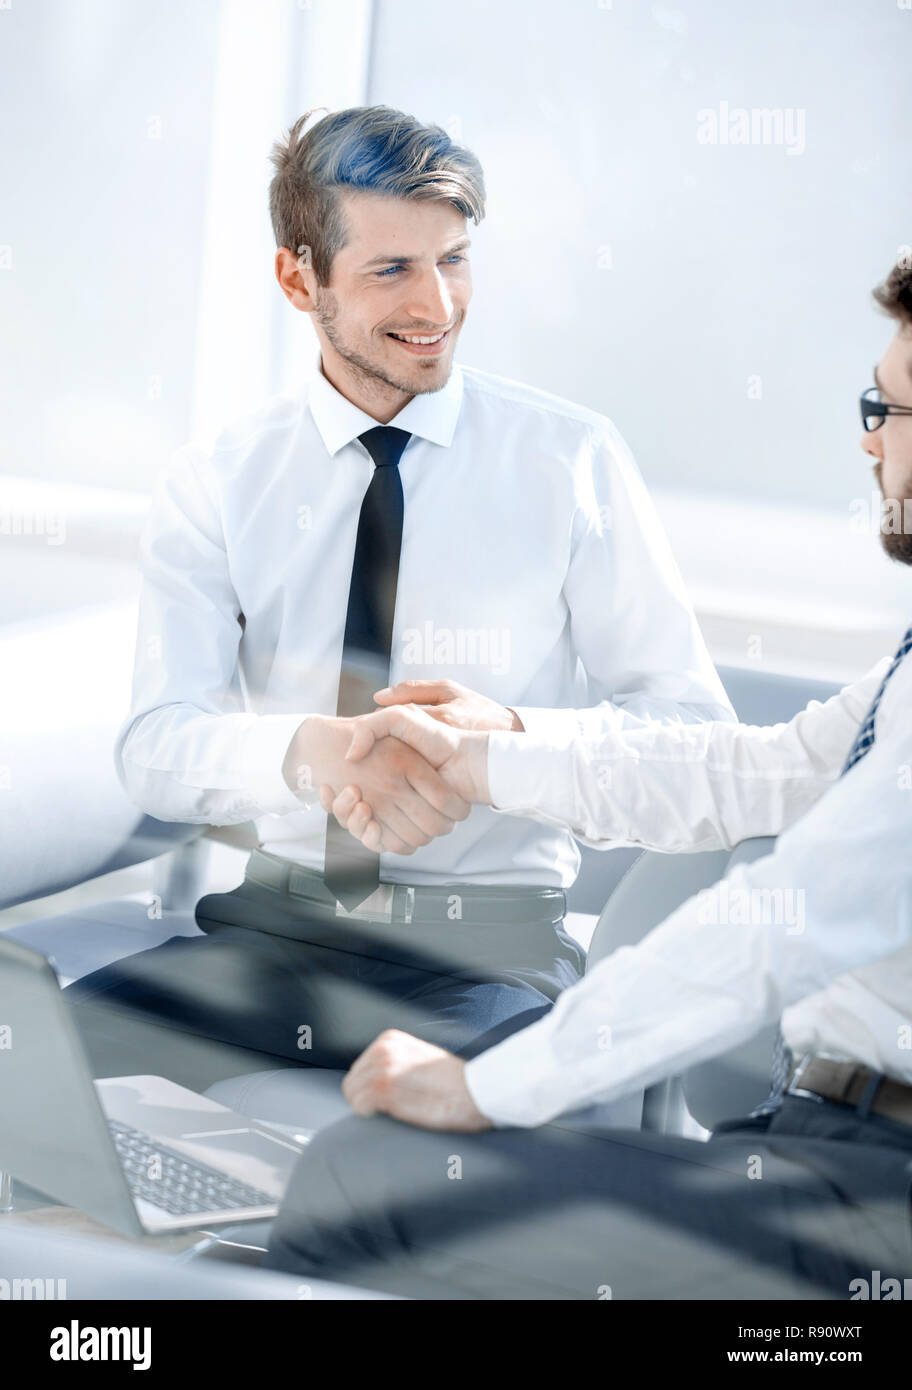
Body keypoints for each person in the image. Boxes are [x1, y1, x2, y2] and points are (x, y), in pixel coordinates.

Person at [263, 260, 912, 1300]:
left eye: (889, 407)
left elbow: (782, 923)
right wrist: (485, 748)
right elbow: (753, 770)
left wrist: (486, 1087)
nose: (872, 438)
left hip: (874, 1207)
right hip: (823, 1144)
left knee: (359, 1180)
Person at [64, 106, 731, 1091]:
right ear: (299, 278)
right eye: (392, 271)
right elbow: (157, 747)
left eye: (453, 260)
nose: (439, 303)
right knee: (31, 1080)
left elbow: (694, 736)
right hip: (275, 934)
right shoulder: (219, 479)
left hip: (488, 958)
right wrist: (307, 752)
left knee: (412, 1159)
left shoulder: (571, 459)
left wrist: (495, 755)